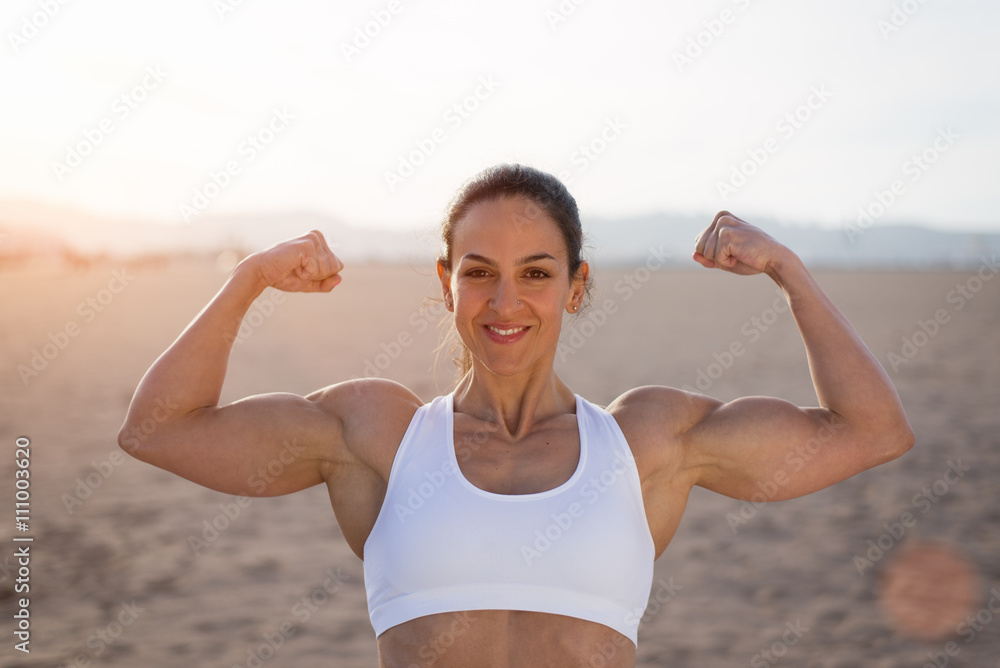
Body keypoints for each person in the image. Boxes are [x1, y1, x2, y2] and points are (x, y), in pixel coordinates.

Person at [119, 163, 914, 667]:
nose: (505, 303)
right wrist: (249, 278)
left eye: (536, 273)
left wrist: (788, 270)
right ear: (445, 283)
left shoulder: (648, 441)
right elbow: (158, 429)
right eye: (479, 273)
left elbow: (871, 430)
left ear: (576, 286)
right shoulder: (378, 434)